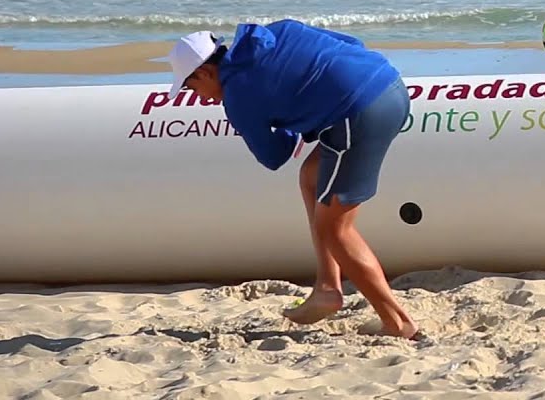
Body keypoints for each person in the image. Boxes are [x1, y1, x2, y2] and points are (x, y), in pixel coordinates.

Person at [166, 18, 419, 339]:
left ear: (204, 72)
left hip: (358, 115)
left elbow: (274, 156)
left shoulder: (239, 96)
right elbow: (352, 43)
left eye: (191, 88)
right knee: (311, 177)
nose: (199, 98)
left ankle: (398, 324)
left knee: (335, 230)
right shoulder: (280, 30)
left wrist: (286, 120)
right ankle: (327, 287)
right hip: (391, 85)